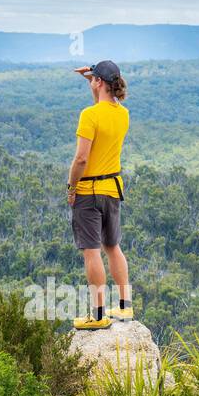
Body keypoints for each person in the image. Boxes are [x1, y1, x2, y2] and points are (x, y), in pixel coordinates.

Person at [68, 59, 132, 330]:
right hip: (112, 189)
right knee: (112, 247)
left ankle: (97, 315)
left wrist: (72, 188)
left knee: (91, 251)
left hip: (88, 191)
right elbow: (103, 105)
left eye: (94, 79)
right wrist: (93, 81)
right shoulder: (123, 114)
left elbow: (81, 158)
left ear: (100, 83)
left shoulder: (89, 115)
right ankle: (125, 307)